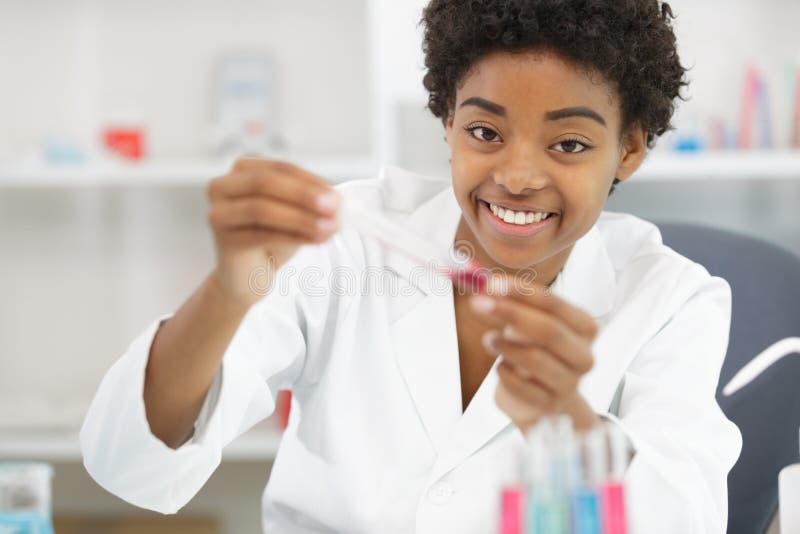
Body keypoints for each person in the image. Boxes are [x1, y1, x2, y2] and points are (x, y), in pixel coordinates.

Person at [80, 0, 742, 532]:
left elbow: (690, 517)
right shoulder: (344, 240)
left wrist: (565, 419)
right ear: (448, 120)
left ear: (628, 150)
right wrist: (230, 290)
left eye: (569, 144)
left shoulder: (673, 300)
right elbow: (131, 460)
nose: (516, 176)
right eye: (484, 131)